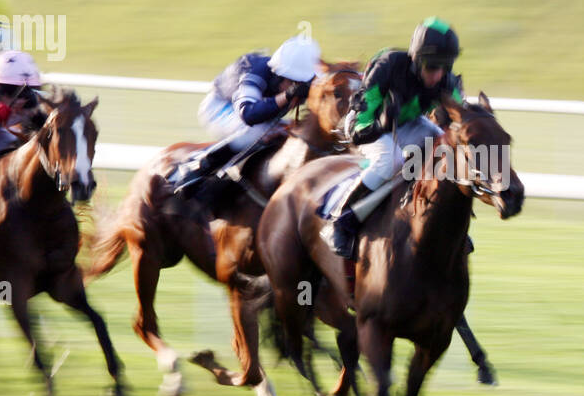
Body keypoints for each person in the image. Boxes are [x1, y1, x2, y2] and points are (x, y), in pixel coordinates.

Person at [322, 17, 463, 257]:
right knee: (391, 159)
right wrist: (382, 123)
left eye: (444, 68)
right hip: (364, 123)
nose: (438, 76)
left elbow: (460, 123)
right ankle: (341, 220)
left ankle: (450, 224)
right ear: (417, 60)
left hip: (406, 123)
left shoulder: (447, 81)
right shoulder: (386, 67)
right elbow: (359, 129)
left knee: (446, 146)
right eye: (432, 67)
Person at [167, 35, 320, 192]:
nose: (301, 89)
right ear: (280, 74)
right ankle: (194, 167)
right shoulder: (256, 71)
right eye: (296, 83)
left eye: (304, 84)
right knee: (255, 132)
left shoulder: (300, 79)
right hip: (220, 107)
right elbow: (248, 114)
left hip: (259, 118)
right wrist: (288, 94)